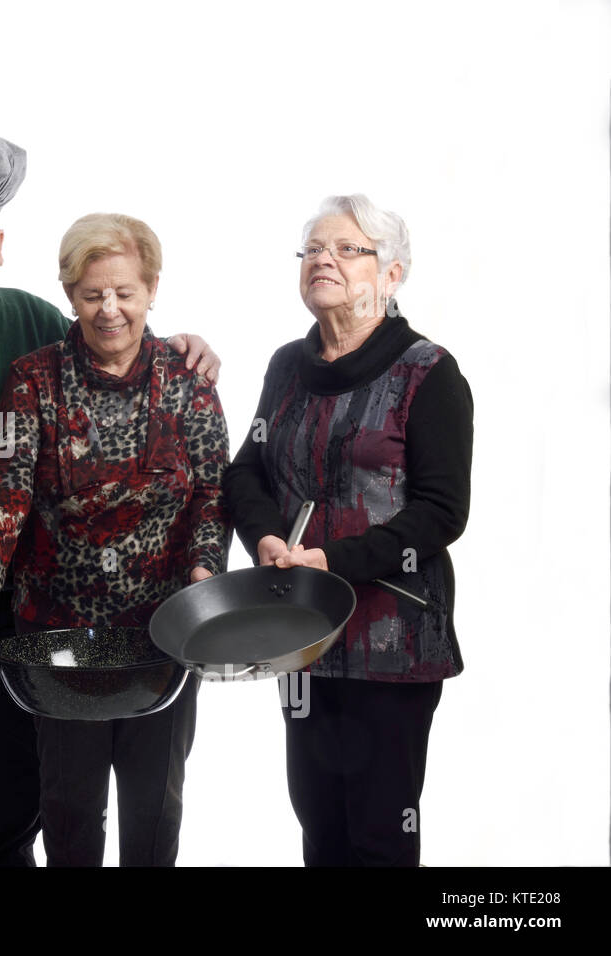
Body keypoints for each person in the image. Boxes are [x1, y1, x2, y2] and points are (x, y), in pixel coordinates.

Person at [0, 130, 221, 867]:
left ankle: (5, 860)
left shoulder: (33, 320)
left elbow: (114, 343)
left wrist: (185, 347)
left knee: (27, 751)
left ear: (1, 245)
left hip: (45, 592)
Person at [0, 212, 230, 866]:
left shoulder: (188, 379)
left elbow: (213, 492)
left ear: (152, 289)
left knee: (154, 809)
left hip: (164, 631)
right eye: (91, 294)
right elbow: (8, 486)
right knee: (70, 812)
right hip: (59, 634)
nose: (109, 309)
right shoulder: (33, 378)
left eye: (125, 292)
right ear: (69, 296)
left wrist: (204, 573)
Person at [222, 194, 473, 866]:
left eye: (344, 249)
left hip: (391, 639)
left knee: (380, 836)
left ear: (391, 275)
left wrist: (332, 561)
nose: (322, 260)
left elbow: (442, 511)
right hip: (301, 635)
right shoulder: (286, 366)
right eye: (312, 249)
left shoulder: (428, 372)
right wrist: (267, 539)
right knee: (320, 827)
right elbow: (246, 471)